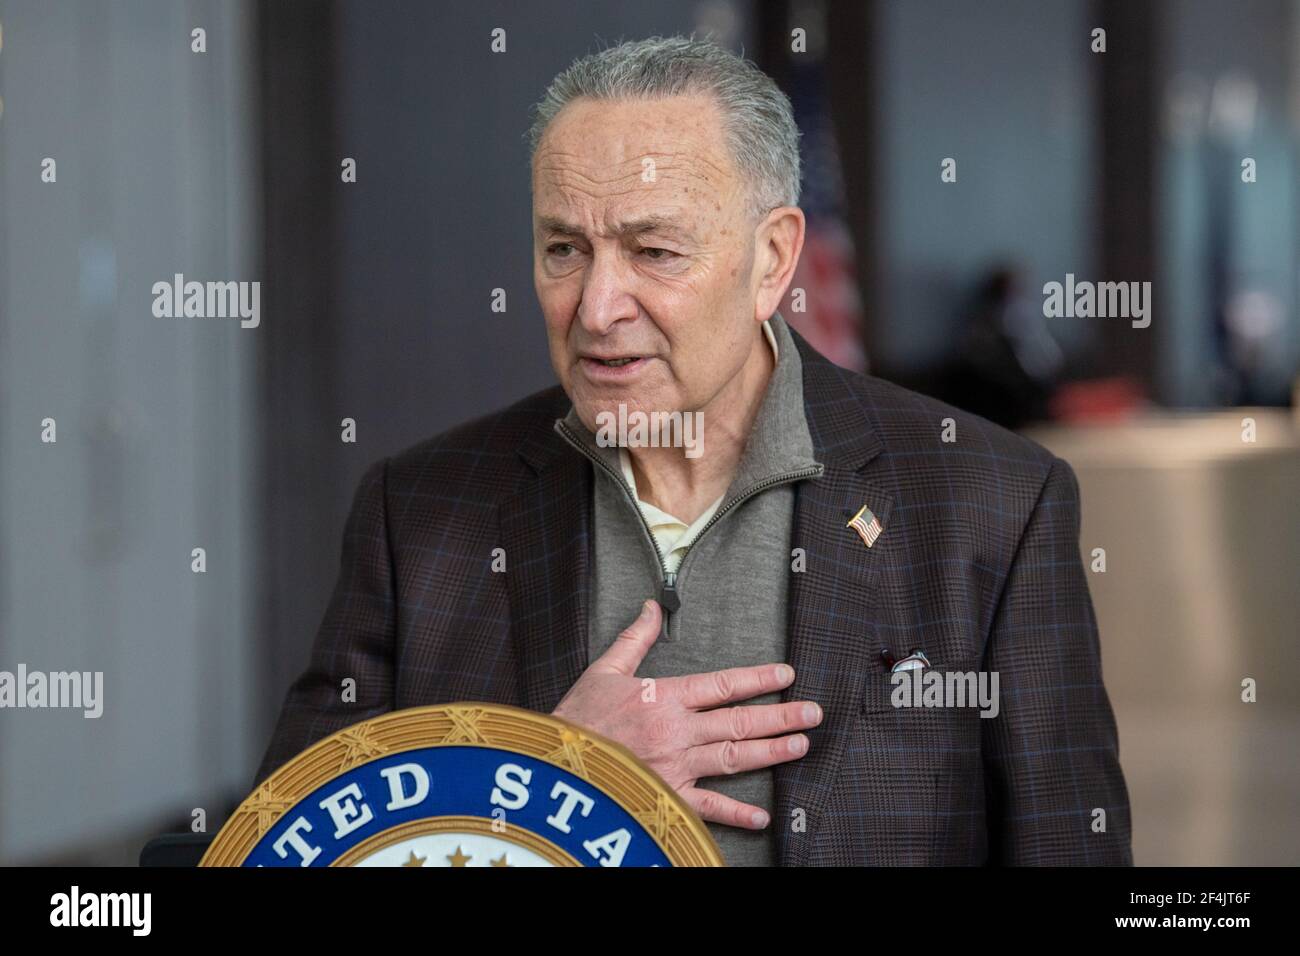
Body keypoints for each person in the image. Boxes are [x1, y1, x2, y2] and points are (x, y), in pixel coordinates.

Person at [256, 36, 1132, 866]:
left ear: (774, 258)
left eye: (655, 251)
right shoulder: (417, 516)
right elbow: (288, 844)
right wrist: (543, 778)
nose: (597, 307)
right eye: (564, 248)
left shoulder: (991, 505)